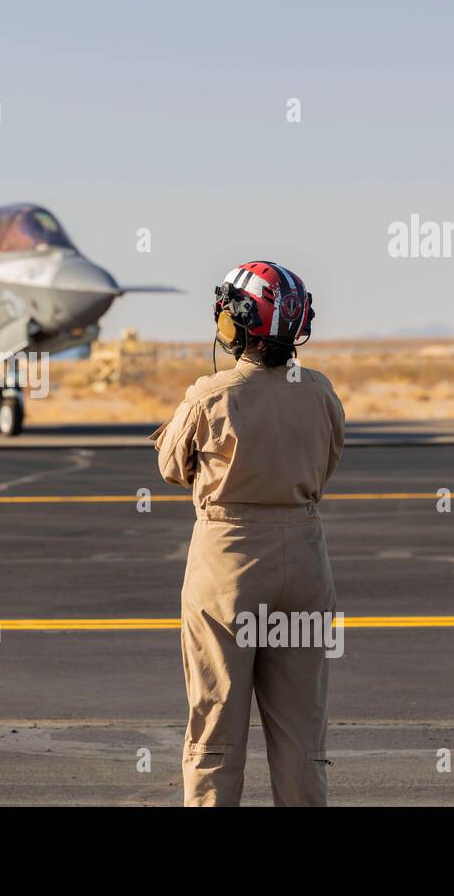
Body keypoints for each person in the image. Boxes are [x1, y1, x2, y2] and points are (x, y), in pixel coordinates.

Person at [150, 261, 345, 806]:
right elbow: (327, 463)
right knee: (304, 732)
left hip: (228, 566)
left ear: (236, 326)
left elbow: (170, 465)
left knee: (215, 724)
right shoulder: (321, 392)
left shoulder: (211, 395)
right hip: (306, 562)